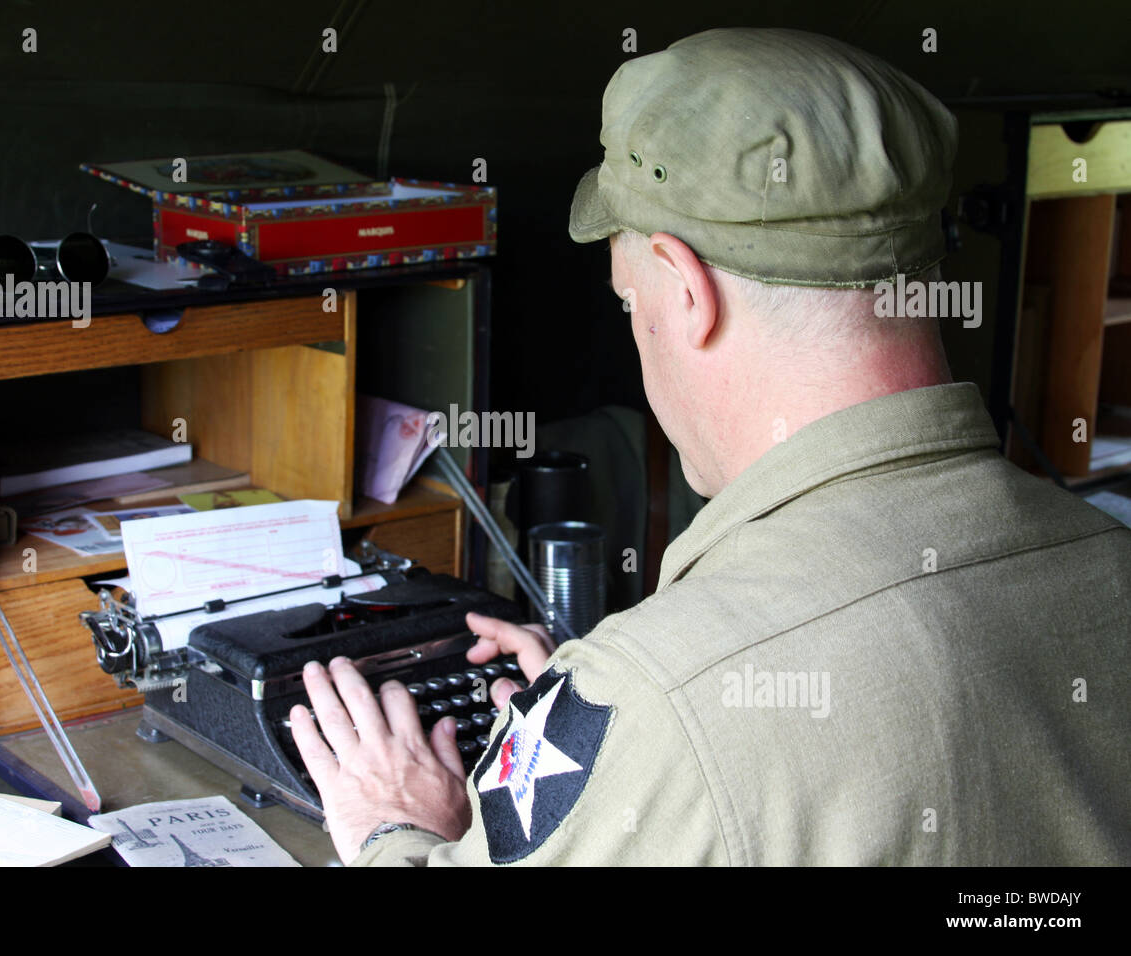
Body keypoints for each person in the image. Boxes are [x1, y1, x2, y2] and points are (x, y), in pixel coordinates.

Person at [289, 28, 1131, 866]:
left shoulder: (673, 701)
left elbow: (716, 730)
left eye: (632, 305)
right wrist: (611, 742)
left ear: (688, 291)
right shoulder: (1110, 561)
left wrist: (394, 830)